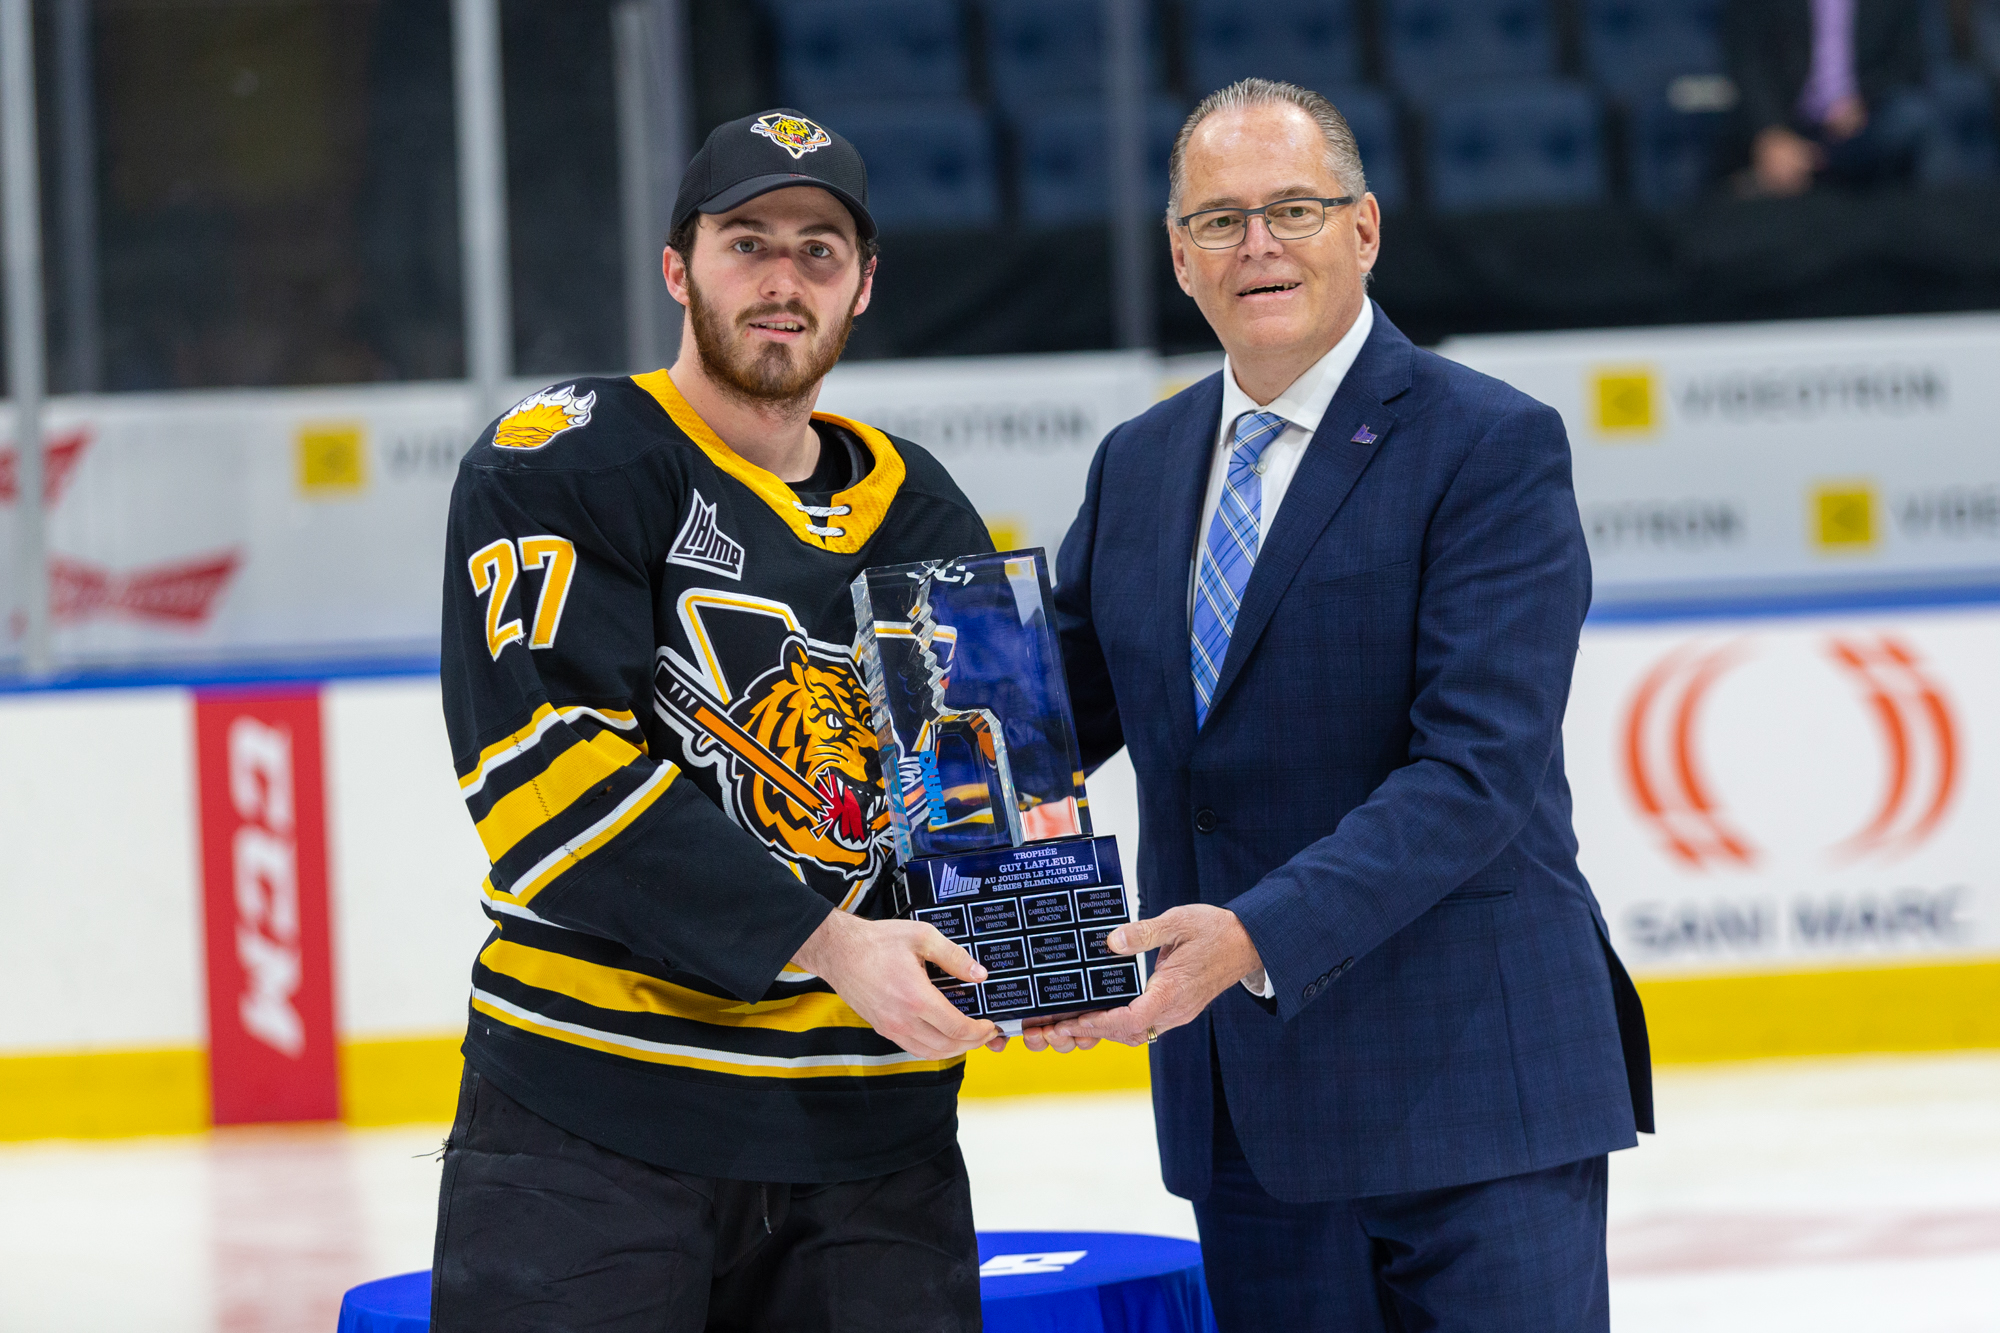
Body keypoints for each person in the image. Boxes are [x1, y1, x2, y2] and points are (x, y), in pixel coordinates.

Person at [1031, 79, 1654, 1330]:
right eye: (1217, 221)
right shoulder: (1139, 466)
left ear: (1362, 229)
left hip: (1472, 1089)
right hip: (1247, 1121)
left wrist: (1253, 934)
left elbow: (1472, 774)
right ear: (1177, 255)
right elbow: (1040, 723)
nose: (1255, 245)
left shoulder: (1488, 446)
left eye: (1291, 209)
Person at [430, 108, 1000, 1331]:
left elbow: (977, 789)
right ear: (678, 266)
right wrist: (830, 943)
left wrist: (1027, 941)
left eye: (818, 249)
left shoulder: (924, 506)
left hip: (872, 1147)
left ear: (862, 287)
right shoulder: (562, 461)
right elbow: (544, 786)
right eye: (748, 242)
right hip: (595, 1128)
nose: (782, 280)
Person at [1724, 0, 1929, 195]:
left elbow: (1909, 63)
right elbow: (1749, 60)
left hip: (1866, 123)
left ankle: (1809, 167)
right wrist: (1771, 130)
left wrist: (1864, 100)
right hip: (1786, 118)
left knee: (1914, 117)